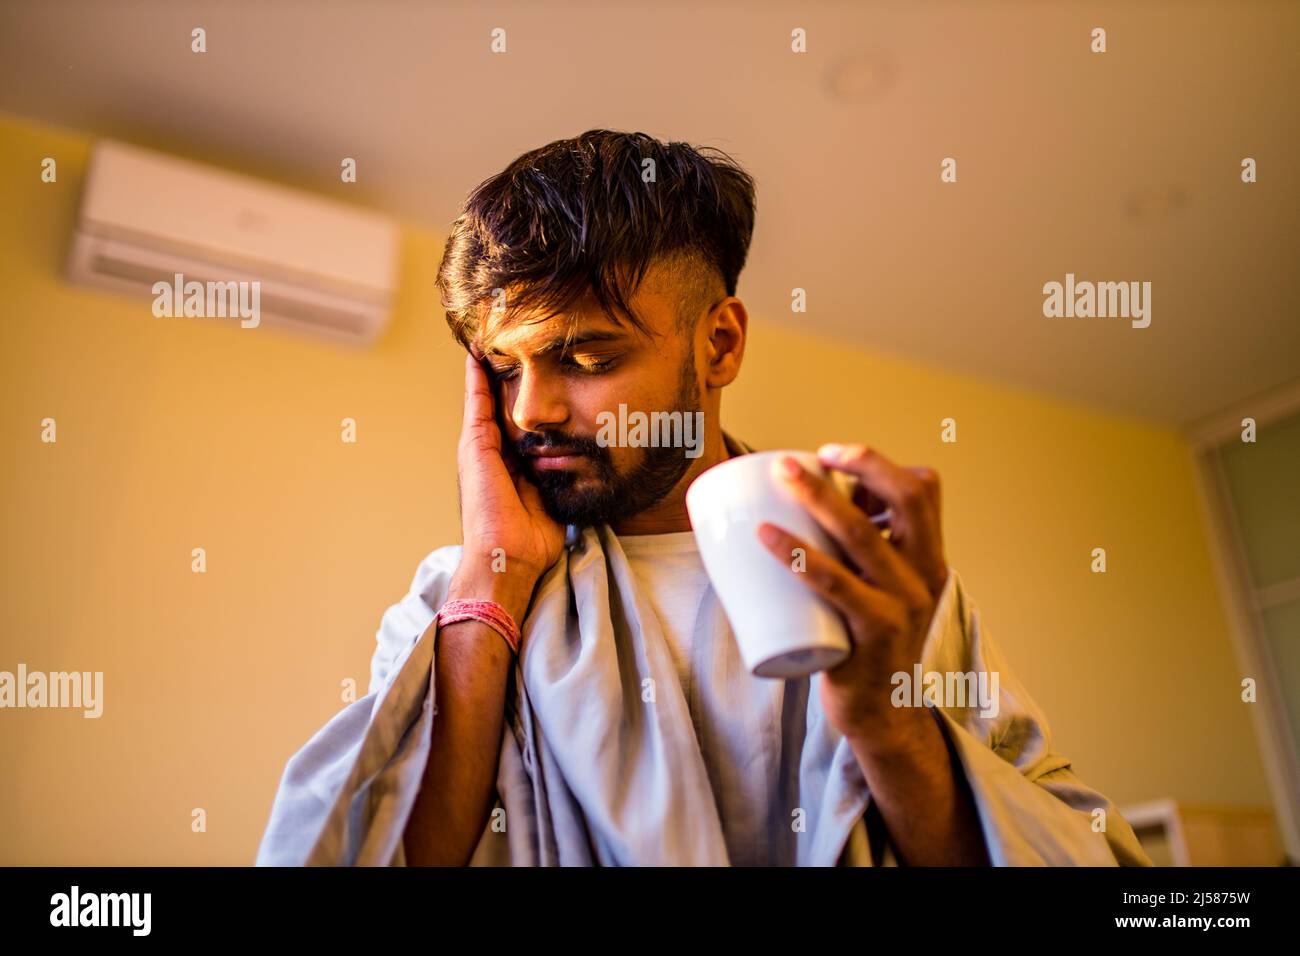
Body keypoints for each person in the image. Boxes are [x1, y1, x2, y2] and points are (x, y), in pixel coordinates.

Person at [255, 130, 1151, 867]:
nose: (531, 410)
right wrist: (492, 578)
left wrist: (890, 726)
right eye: (502, 368)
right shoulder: (454, 606)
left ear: (718, 344)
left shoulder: (882, 581)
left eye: (588, 357)